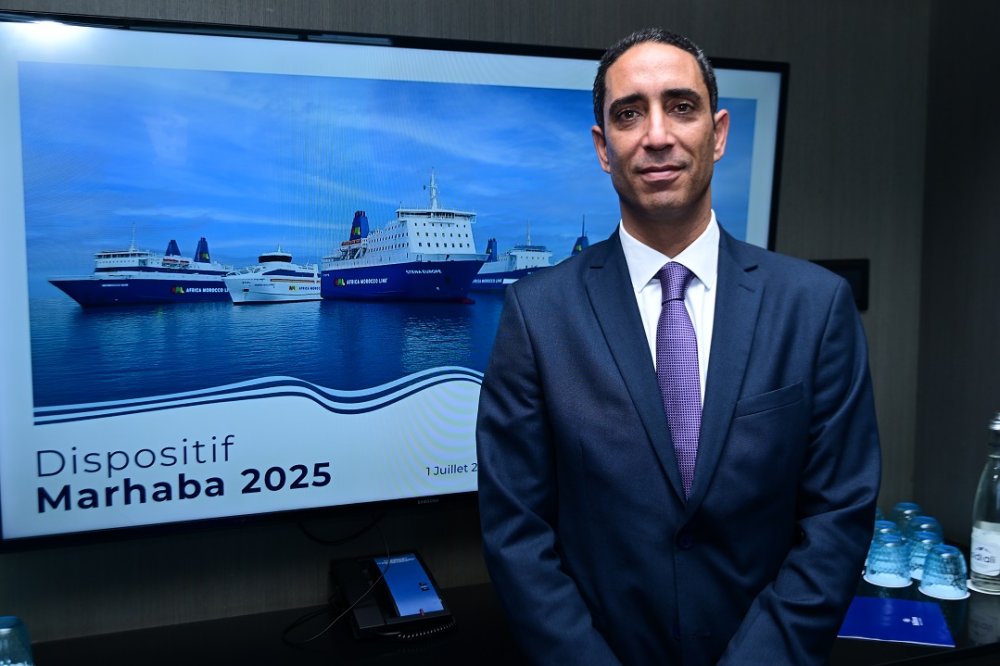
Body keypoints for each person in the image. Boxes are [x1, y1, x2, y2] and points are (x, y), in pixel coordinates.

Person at [476, 27, 881, 665]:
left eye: (681, 107)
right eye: (629, 114)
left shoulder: (815, 306)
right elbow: (516, 531)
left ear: (717, 134)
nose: (657, 135)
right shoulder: (536, 315)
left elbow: (839, 516)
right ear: (603, 148)